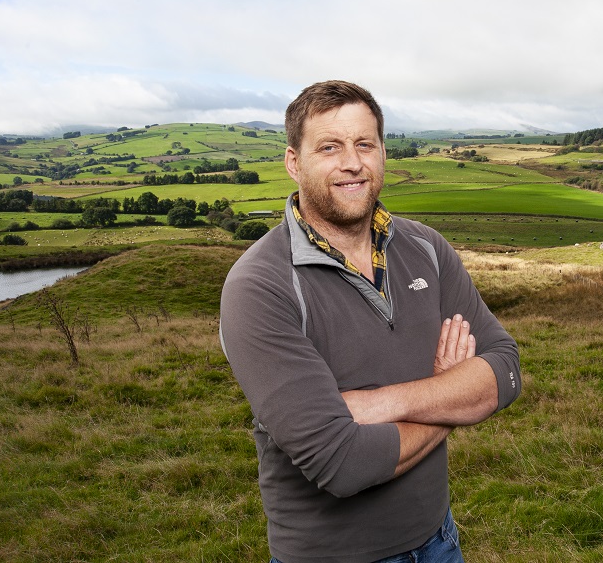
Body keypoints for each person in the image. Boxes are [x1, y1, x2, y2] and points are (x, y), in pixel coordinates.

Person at [220, 80, 521, 563]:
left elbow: (505, 369)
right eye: (329, 147)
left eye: (364, 144)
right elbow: (342, 463)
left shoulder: (426, 248)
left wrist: (381, 404)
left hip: (439, 541)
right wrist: (454, 396)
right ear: (293, 162)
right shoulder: (259, 286)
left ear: (382, 151)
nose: (352, 162)